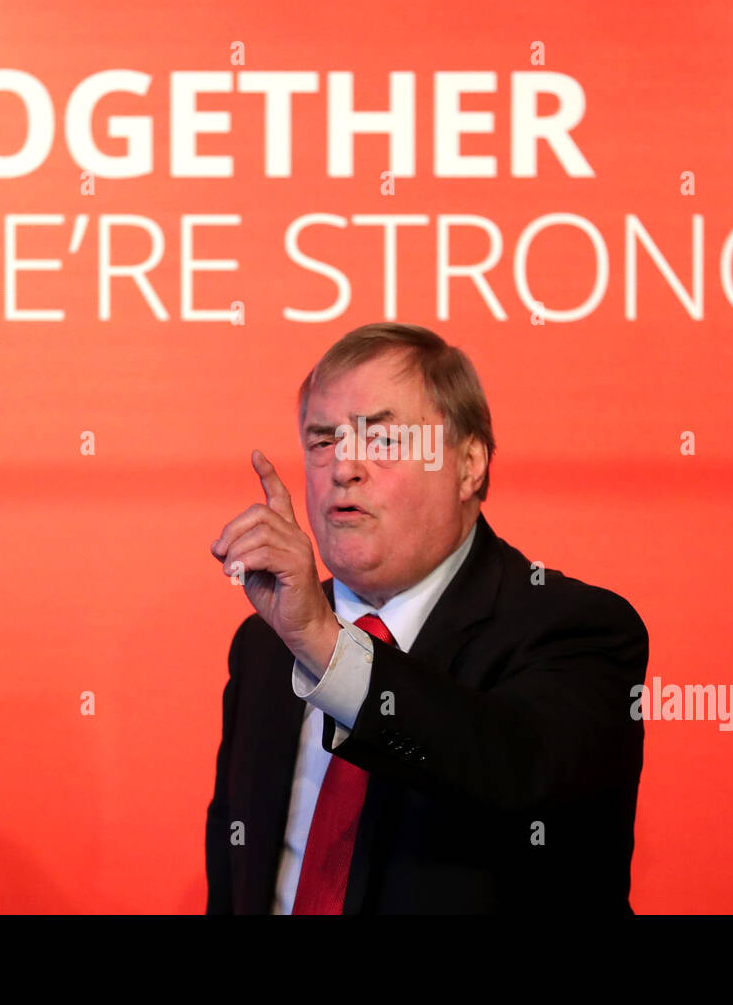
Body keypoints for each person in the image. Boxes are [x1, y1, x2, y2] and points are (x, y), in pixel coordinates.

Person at [205, 322, 648, 914]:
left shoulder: (578, 630)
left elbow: (515, 773)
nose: (343, 468)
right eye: (322, 440)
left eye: (382, 439)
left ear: (469, 464)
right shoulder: (265, 646)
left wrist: (324, 646)